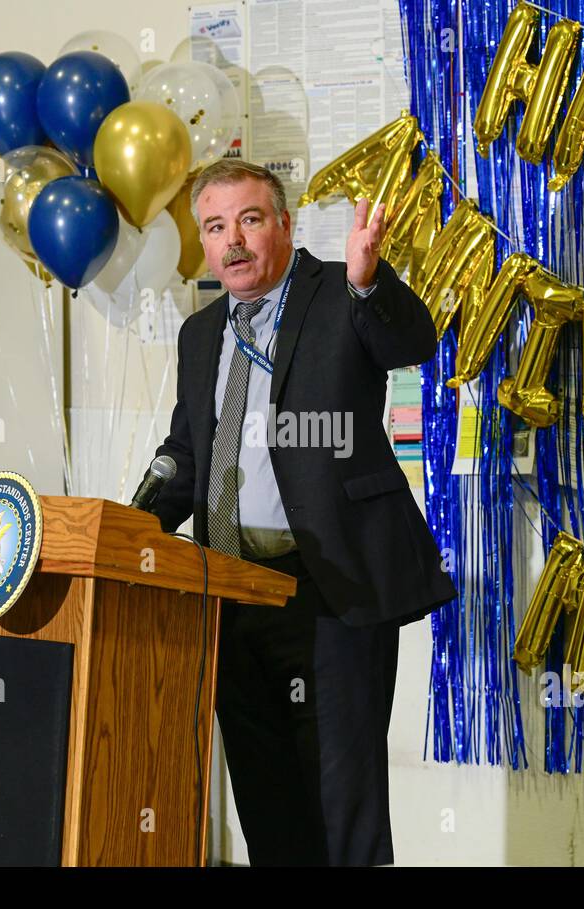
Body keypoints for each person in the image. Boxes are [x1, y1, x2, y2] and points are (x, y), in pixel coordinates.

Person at [152, 158, 457, 866]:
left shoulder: (337, 294)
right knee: (268, 801)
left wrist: (368, 280)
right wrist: (128, 527)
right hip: (229, 594)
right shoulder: (201, 335)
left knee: (340, 800)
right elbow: (186, 452)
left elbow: (411, 342)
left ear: (284, 226)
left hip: (328, 589)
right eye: (215, 226)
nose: (232, 241)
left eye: (250, 220)